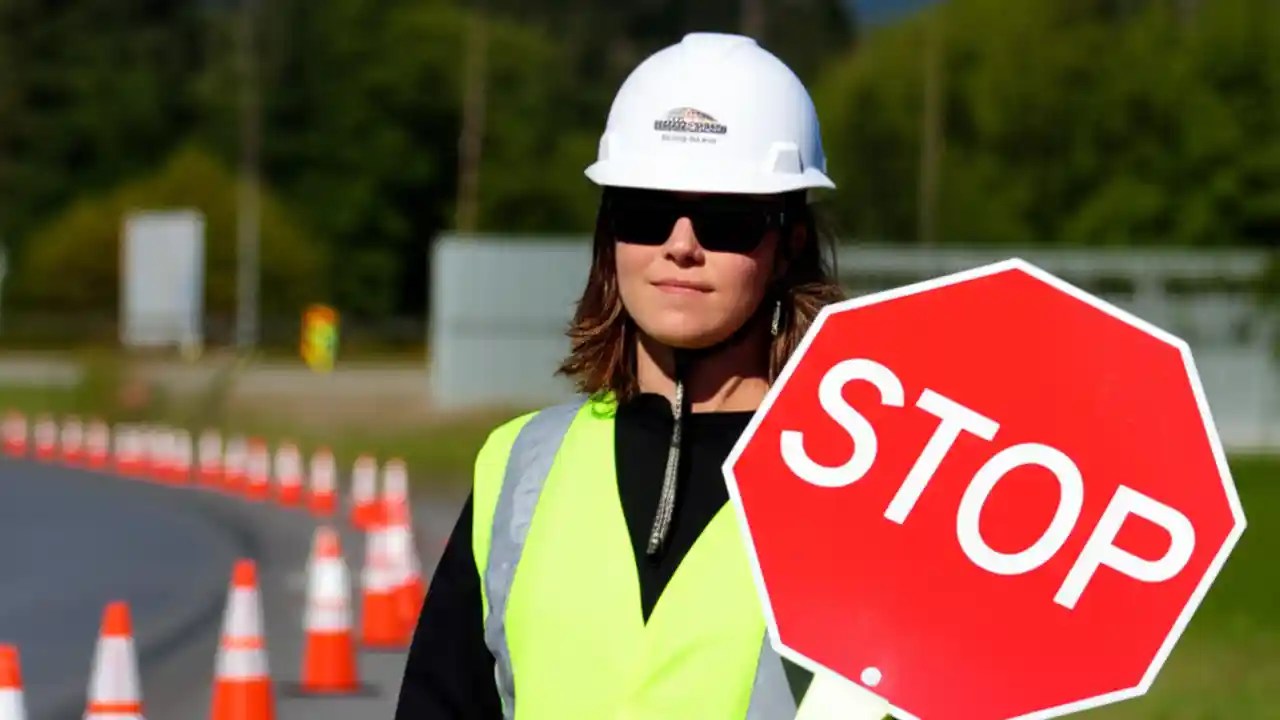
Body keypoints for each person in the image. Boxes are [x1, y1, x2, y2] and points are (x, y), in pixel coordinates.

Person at [395, 31, 845, 719]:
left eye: (726, 218)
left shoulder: (859, 484)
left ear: (788, 244)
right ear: (611, 233)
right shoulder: (520, 466)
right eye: (647, 212)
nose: (681, 245)